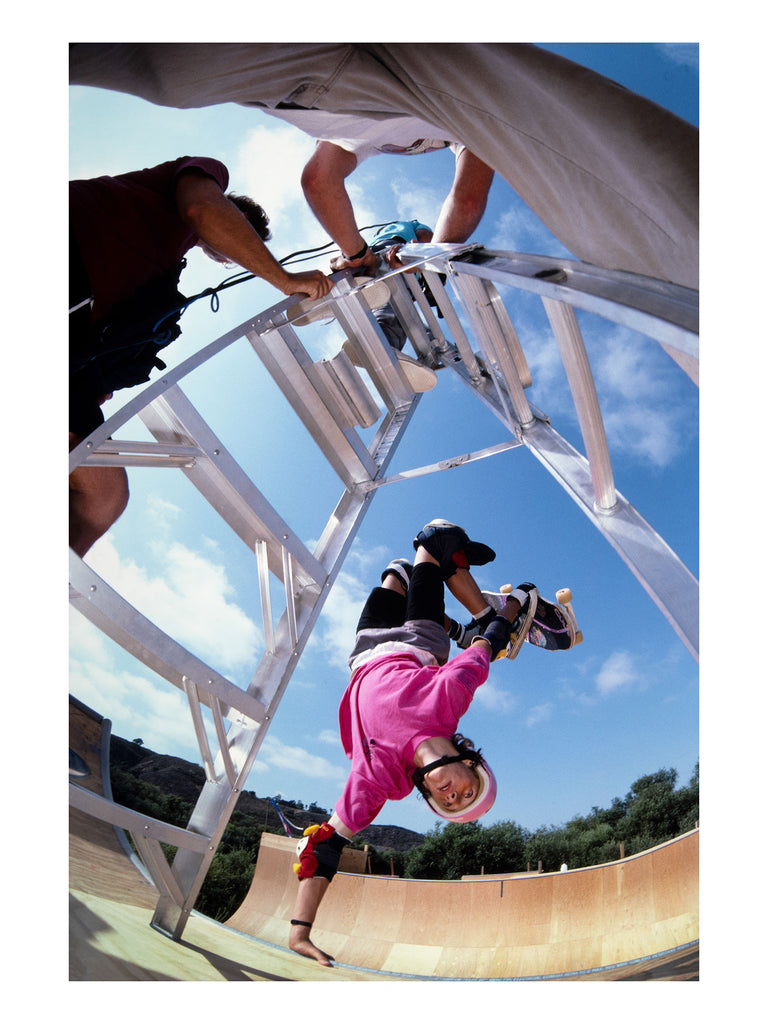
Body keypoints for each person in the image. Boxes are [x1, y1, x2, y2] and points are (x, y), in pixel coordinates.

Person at [287, 518, 538, 966]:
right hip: (421, 639)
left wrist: (300, 932)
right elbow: (485, 651)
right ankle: (445, 551)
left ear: (430, 797)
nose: (454, 794)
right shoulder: (449, 701)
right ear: (471, 763)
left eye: (452, 803)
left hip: (366, 649)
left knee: (396, 574)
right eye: (467, 791)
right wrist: (512, 608)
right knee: (432, 543)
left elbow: (324, 847)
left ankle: (414, 573)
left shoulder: (381, 781)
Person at [69, 155, 333, 557]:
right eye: (242, 237)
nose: (232, 255)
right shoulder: (204, 173)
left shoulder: (166, 264)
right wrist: (284, 278)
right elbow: (203, 208)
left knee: (104, 496)